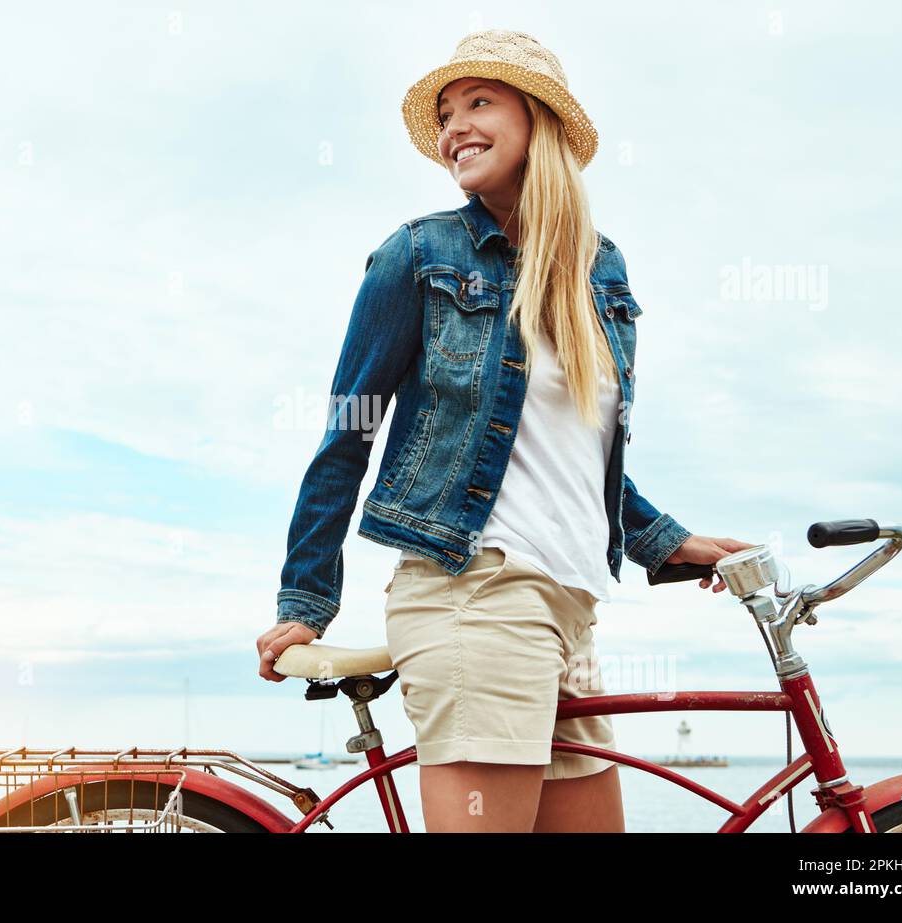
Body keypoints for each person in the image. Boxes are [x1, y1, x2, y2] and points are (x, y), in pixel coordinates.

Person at [256, 29, 754, 832]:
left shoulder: (603, 269)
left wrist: (667, 539)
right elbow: (347, 433)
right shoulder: (420, 255)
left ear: (540, 121)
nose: (455, 129)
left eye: (479, 103)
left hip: (572, 609)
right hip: (474, 596)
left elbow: (581, 456)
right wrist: (307, 596)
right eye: (447, 114)